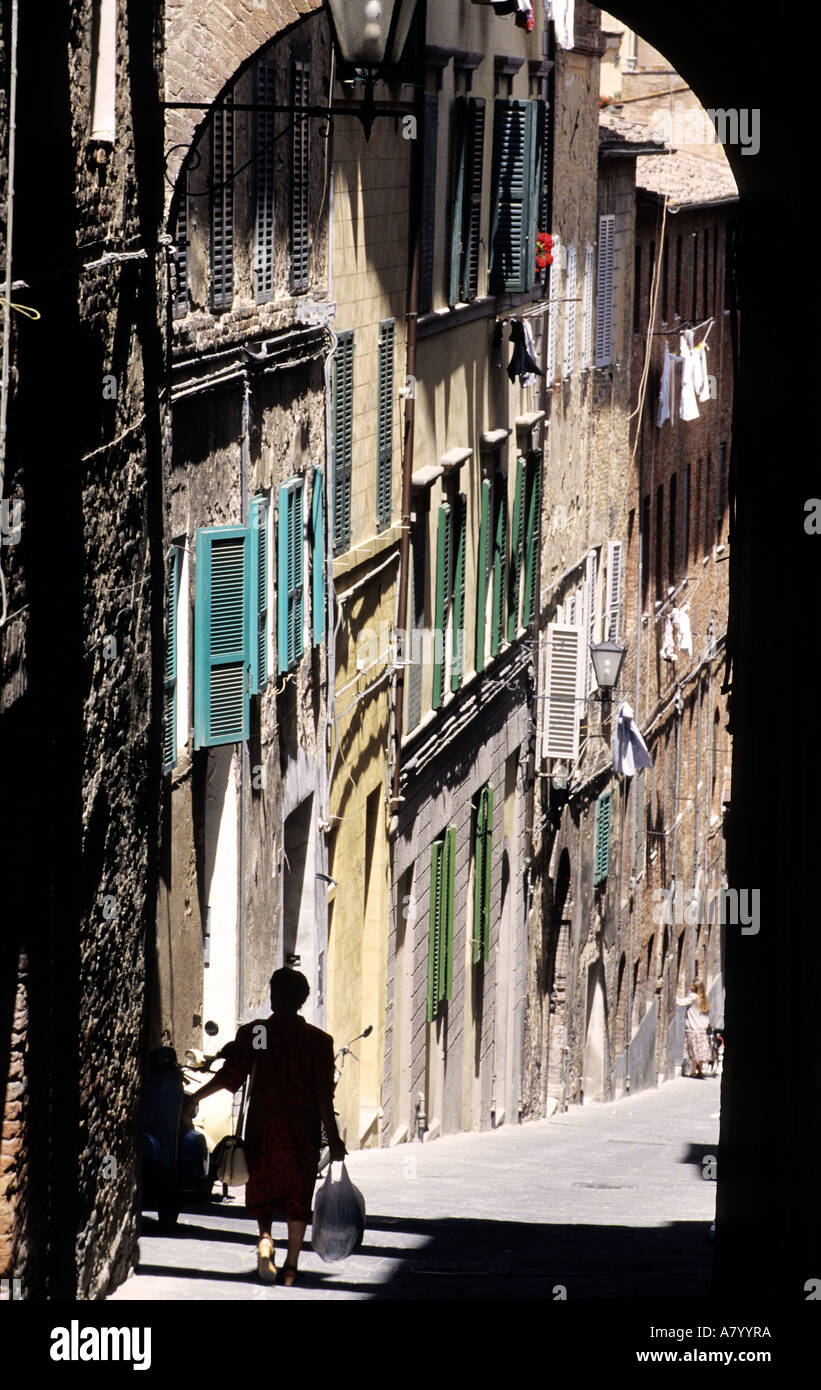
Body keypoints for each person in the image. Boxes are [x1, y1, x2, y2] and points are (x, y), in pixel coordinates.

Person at [187, 968, 346, 1286]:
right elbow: (323, 1098)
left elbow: (231, 1077)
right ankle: (291, 1266)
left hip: (265, 1127)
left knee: (263, 1189)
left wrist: (194, 1097)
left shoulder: (255, 1033)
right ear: (302, 1001)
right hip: (302, 1131)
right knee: (298, 1196)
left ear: (274, 996)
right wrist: (336, 1139)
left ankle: (265, 1242)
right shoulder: (319, 1041)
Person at [676, 977, 711, 1078]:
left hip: (693, 1027)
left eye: (692, 985)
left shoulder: (693, 997)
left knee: (694, 1050)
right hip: (702, 1029)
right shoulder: (704, 998)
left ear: (695, 987)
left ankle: (693, 1071)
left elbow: (681, 1002)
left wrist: (673, 996)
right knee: (701, 1050)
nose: (690, 986)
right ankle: (700, 1070)